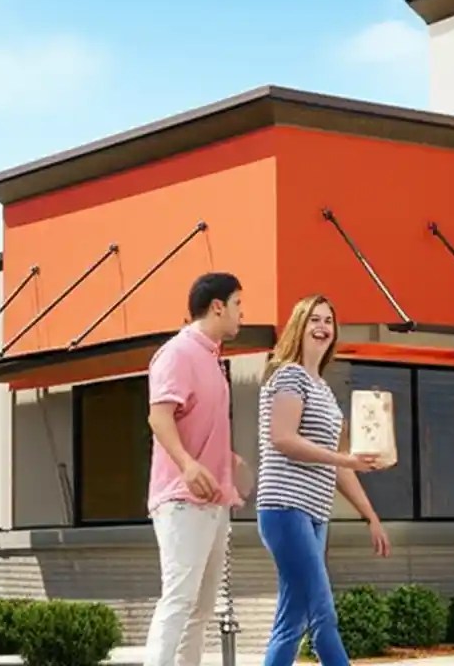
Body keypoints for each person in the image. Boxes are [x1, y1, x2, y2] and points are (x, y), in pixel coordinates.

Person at [256, 294, 392, 666]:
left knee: (293, 617)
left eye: (328, 321)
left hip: (315, 512)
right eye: (314, 320)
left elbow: (339, 466)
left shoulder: (323, 389)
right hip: (285, 508)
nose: (322, 327)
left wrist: (371, 516)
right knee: (322, 611)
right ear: (298, 326)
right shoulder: (288, 375)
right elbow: (282, 438)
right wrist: (342, 456)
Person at [142, 272, 249, 666]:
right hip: (181, 500)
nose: (242, 313)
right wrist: (188, 465)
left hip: (214, 501)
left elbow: (199, 423)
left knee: (201, 608)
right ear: (217, 306)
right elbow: (159, 417)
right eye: (238, 303)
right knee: (179, 599)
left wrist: (227, 460)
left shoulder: (211, 358)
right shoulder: (178, 352)